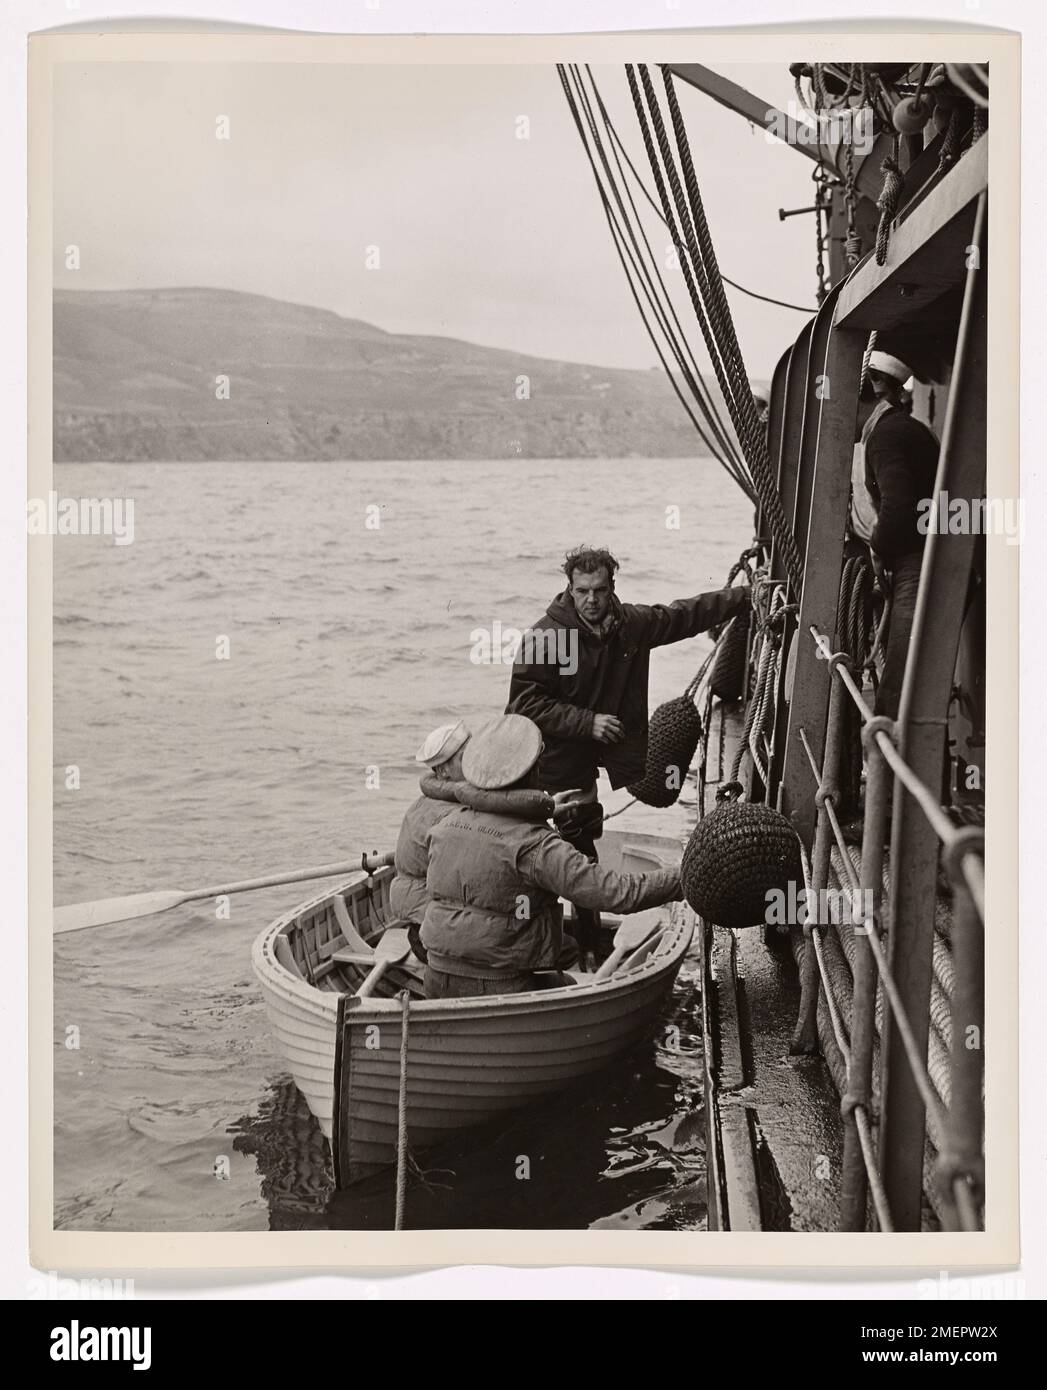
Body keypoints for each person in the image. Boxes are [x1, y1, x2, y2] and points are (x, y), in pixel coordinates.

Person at [505, 545, 749, 957]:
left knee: (582, 851)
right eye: (582, 591)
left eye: (599, 590)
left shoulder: (629, 625)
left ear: (611, 586)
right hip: (550, 764)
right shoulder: (546, 637)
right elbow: (522, 705)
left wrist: (743, 597)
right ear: (569, 589)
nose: (592, 600)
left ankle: (586, 946)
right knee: (540, 856)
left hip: (589, 765)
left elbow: (682, 617)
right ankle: (540, 945)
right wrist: (587, 722)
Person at [419, 714, 682, 999]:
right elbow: (616, 894)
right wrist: (684, 876)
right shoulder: (535, 845)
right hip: (501, 985)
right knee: (567, 983)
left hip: (435, 978)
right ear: (534, 773)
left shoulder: (444, 826)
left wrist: (541, 810)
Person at [861, 349, 940, 718]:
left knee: (900, 686)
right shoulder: (901, 428)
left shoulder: (886, 435)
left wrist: (877, 548)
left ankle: (893, 768)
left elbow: (899, 506)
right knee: (906, 678)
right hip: (926, 555)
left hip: (919, 564)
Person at [388, 720, 471, 959]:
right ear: (444, 771)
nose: (476, 760)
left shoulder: (433, 799)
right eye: (465, 757)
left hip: (425, 918)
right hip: (431, 930)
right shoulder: (450, 815)